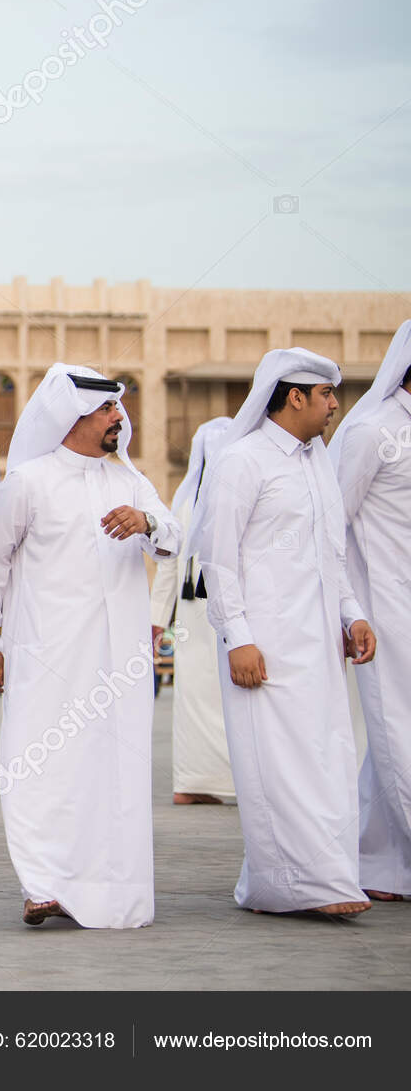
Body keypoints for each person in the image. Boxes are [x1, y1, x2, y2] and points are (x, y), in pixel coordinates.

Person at [0, 364, 177, 929]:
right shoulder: (30, 480)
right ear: (72, 416)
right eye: (108, 410)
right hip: (46, 653)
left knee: (112, 771)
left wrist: (147, 524)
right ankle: (42, 884)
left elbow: (175, 539)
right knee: (39, 765)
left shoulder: (131, 483)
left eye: (118, 409)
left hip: (118, 662)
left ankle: (106, 887)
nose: (119, 418)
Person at [195, 347, 374, 918]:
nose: (333, 407)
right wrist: (237, 636)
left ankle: (312, 878)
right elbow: (217, 557)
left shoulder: (316, 461)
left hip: (319, 642)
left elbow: (333, 553)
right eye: (325, 396)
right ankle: (299, 887)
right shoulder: (242, 460)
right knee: (278, 766)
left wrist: (353, 615)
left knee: (325, 759)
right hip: (264, 643)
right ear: (294, 396)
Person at [329, 320, 411, 902]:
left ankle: (380, 865)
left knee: (391, 745)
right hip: (387, 610)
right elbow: (332, 527)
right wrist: (344, 610)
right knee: (397, 732)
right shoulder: (372, 432)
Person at [148, 417, 237, 805]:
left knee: (199, 698)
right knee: (211, 696)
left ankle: (197, 782)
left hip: (194, 620)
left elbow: (167, 571)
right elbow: (169, 566)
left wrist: (156, 620)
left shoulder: (183, 504)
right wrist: (153, 622)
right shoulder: (195, 505)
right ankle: (211, 782)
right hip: (221, 617)